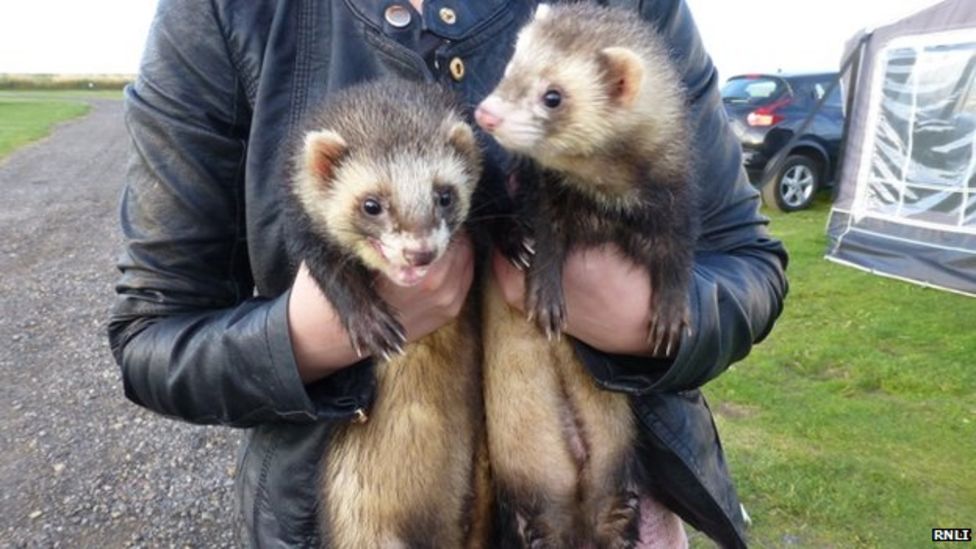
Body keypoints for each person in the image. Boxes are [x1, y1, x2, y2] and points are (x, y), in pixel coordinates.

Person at [108, 0, 788, 547]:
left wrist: (645, 318)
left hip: (604, 501)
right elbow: (151, 338)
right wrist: (310, 333)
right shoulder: (223, 15)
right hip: (369, 515)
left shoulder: (622, 15)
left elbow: (747, 262)